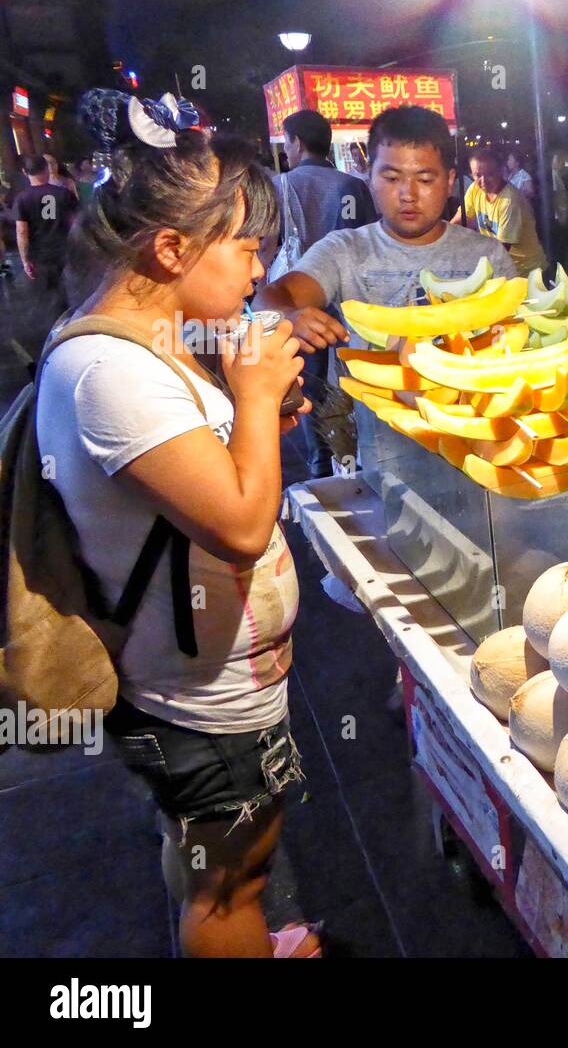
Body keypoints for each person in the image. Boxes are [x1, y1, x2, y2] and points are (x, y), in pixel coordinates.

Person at [37, 90, 319, 958]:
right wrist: (259, 393)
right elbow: (238, 525)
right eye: (246, 250)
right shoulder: (107, 371)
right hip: (196, 703)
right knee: (231, 882)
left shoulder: (154, 340)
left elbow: (211, 470)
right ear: (169, 248)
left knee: (212, 861)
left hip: (212, 682)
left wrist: (260, 417)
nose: (256, 270)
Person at [255, 107, 514, 463]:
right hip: (383, 456)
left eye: (424, 179)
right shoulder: (344, 249)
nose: (407, 194)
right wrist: (290, 313)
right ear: (369, 177)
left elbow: (520, 340)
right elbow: (270, 297)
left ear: (450, 180)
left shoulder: (488, 256)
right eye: (391, 178)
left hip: (479, 450)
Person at [267, 108, 378, 476]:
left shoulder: (281, 186)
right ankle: (358, 456)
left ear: (298, 142)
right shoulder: (353, 185)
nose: (286, 150)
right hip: (350, 302)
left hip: (299, 300)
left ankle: (321, 461)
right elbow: (369, 244)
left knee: (310, 382)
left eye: (287, 142)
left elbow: (271, 244)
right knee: (354, 378)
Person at [453, 148, 548, 276]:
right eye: (477, 175)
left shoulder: (509, 201)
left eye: (490, 174)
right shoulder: (474, 189)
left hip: (527, 273)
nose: (483, 181)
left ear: (501, 172)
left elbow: (501, 251)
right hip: (502, 268)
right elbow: (457, 221)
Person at [15, 154, 78, 320]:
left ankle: (57, 328)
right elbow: (75, 222)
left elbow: (22, 232)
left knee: (50, 296)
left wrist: (25, 260)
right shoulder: (63, 193)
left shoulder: (22, 199)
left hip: (41, 256)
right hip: (65, 250)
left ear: (24, 172)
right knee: (72, 290)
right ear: (46, 169)